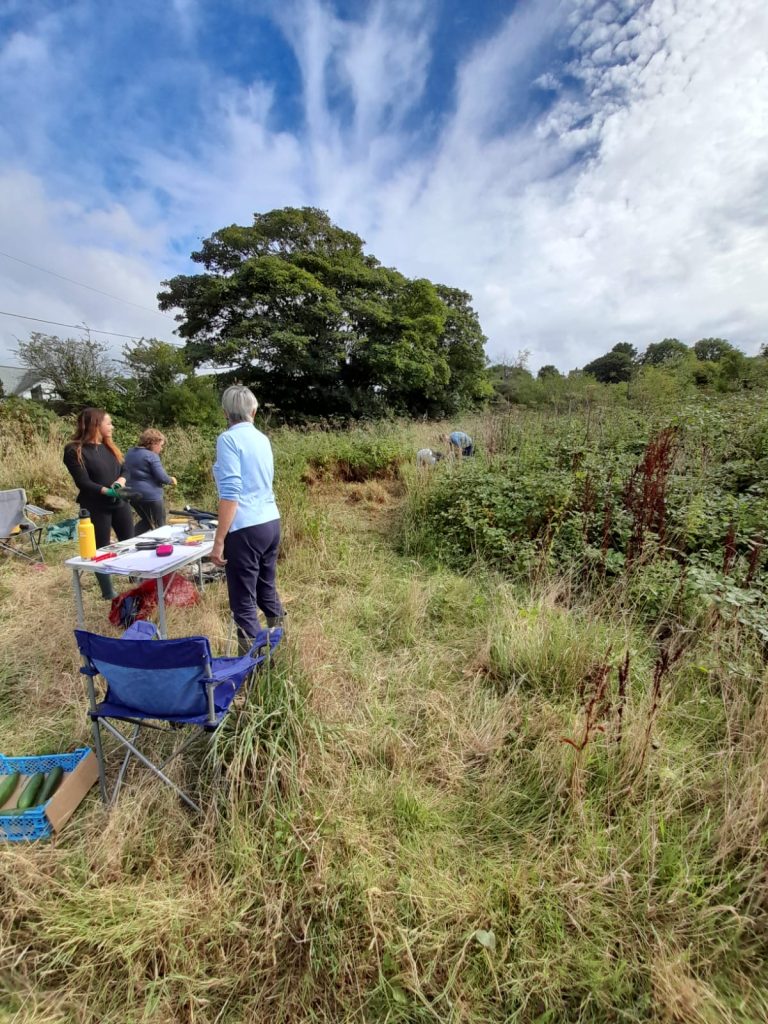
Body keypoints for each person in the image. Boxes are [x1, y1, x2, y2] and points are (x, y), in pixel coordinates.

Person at [210, 385, 284, 651]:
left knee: (243, 601)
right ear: (253, 411)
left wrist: (219, 541)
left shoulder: (228, 439)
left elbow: (231, 493)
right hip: (271, 521)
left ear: (226, 412)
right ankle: (279, 644)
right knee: (267, 588)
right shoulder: (262, 438)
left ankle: (255, 667)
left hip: (246, 528)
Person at [63, 408, 134, 600]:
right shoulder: (74, 450)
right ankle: (108, 592)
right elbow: (83, 482)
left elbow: (126, 470)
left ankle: (135, 581)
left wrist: (119, 483)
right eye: (108, 423)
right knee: (99, 549)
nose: (112, 426)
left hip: (119, 504)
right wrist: (107, 491)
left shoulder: (110, 447)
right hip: (95, 506)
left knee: (129, 542)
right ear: (96, 424)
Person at [124, 428, 177, 534]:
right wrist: (171, 480)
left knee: (148, 521)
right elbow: (161, 477)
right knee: (160, 526)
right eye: (160, 445)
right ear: (153, 443)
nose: (161, 449)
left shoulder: (130, 452)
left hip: (133, 495)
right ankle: (162, 547)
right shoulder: (151, 456)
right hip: (151, 497)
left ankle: (129, 538)